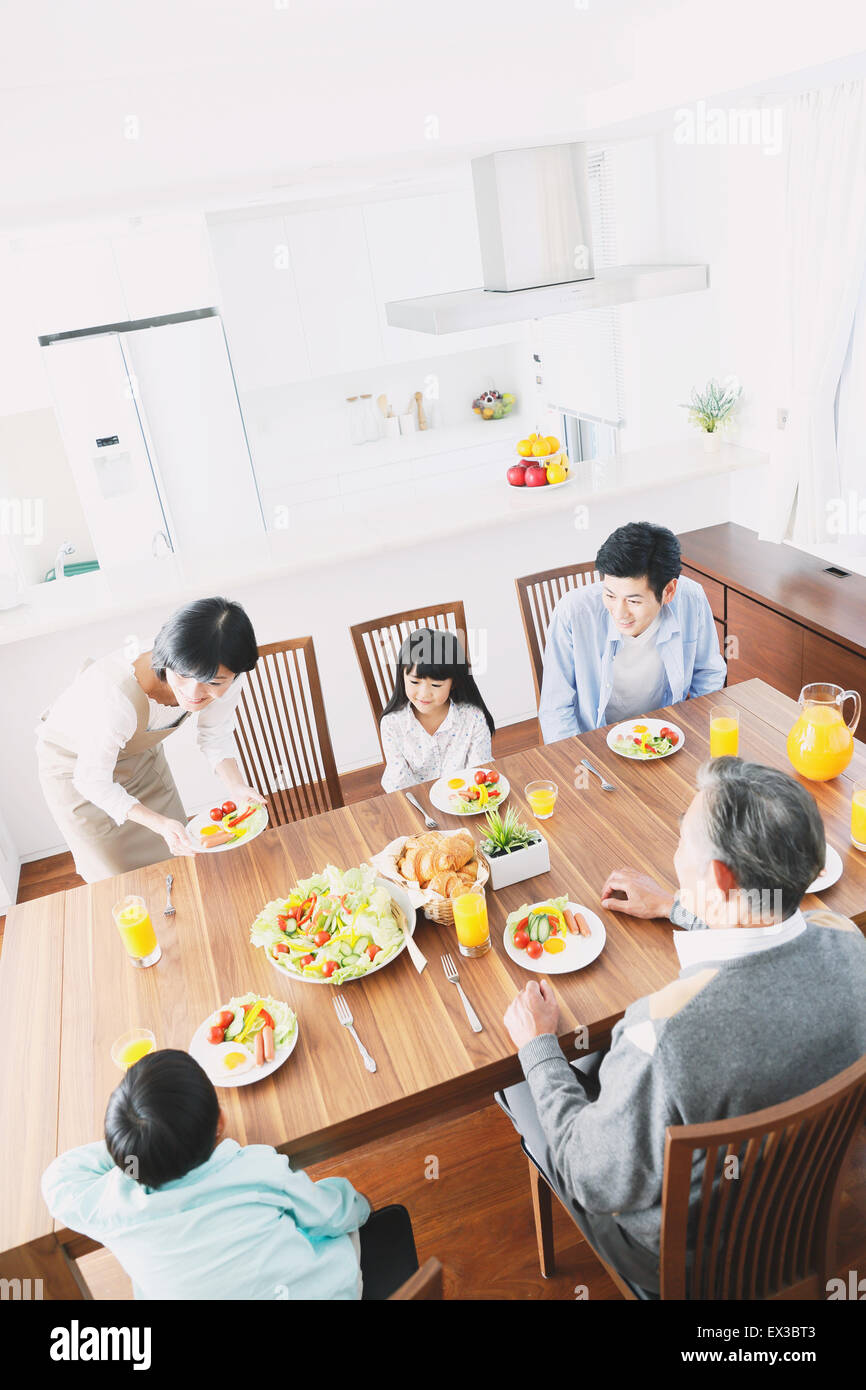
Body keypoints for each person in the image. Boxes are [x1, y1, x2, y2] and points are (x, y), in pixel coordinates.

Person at [498, 757, 866, 1296]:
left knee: (525, 1091)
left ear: (718, 878)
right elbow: (763, 927)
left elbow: (591, 1178)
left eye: (682, 840)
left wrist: (538, 1048)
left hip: (686, 1263)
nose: (675, 855)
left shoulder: (658, 1033)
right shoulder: (852, 948)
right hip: (798, 1219)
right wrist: (680, 907)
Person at [41, 1049, 420, 1301]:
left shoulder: (111, 1206)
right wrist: (359, 1203)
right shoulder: (255, 1169)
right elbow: (334, 1215)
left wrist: (137, 1143)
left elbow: (58, 1178)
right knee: (332, 1222)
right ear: (221, 1121)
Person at [35, 597, 265, 882]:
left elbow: (214, 734)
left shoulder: (226, 674)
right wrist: (157, 822)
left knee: (178, 857)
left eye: (214, 682)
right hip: (77, 771)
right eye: (183, 675)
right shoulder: (117, 698)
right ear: (167, 658)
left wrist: (237, 787)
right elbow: (91, 780)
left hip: (139, 758)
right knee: (118, 877)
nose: (194, 692)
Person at [538, 521, 726, 742]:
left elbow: (708, 673)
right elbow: (555, 707)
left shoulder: (691, 599)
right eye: (609, 595)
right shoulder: (573, 612)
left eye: (633, 601)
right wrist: (581, 762)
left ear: (669, 591)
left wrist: (692, 735)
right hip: (594, 741)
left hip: (663, 736)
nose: (619, 613)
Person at [379, 627, 495, 792]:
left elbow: (479, 773)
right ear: (402, 677)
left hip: (464, 800)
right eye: (414, 682)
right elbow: (401, 783)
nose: (424, 694)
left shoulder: (473, 717)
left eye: (436, 685)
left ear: (453, 683)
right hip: (415, 804)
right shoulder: (392, 724)